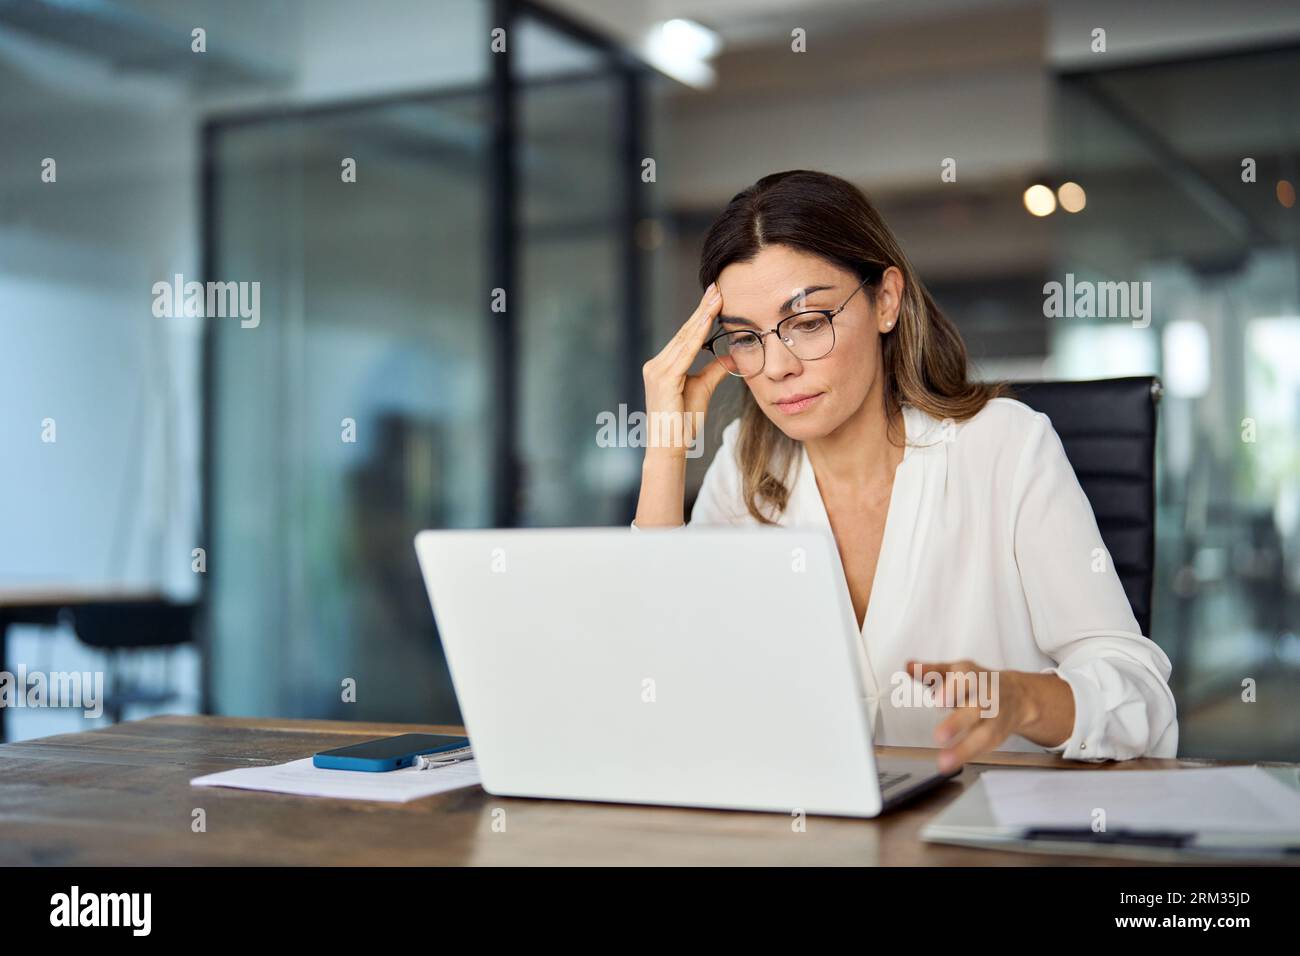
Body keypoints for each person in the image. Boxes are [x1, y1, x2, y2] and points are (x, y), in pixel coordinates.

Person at [633, 169, 1177, 770]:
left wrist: (1023, 699)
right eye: (745, 338)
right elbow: (659, 691)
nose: (777, 366)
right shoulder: (744, 466)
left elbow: (1142, 697)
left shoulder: (1005, 446)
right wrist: (666, 445)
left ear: (886, 300)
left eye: (808, 322)